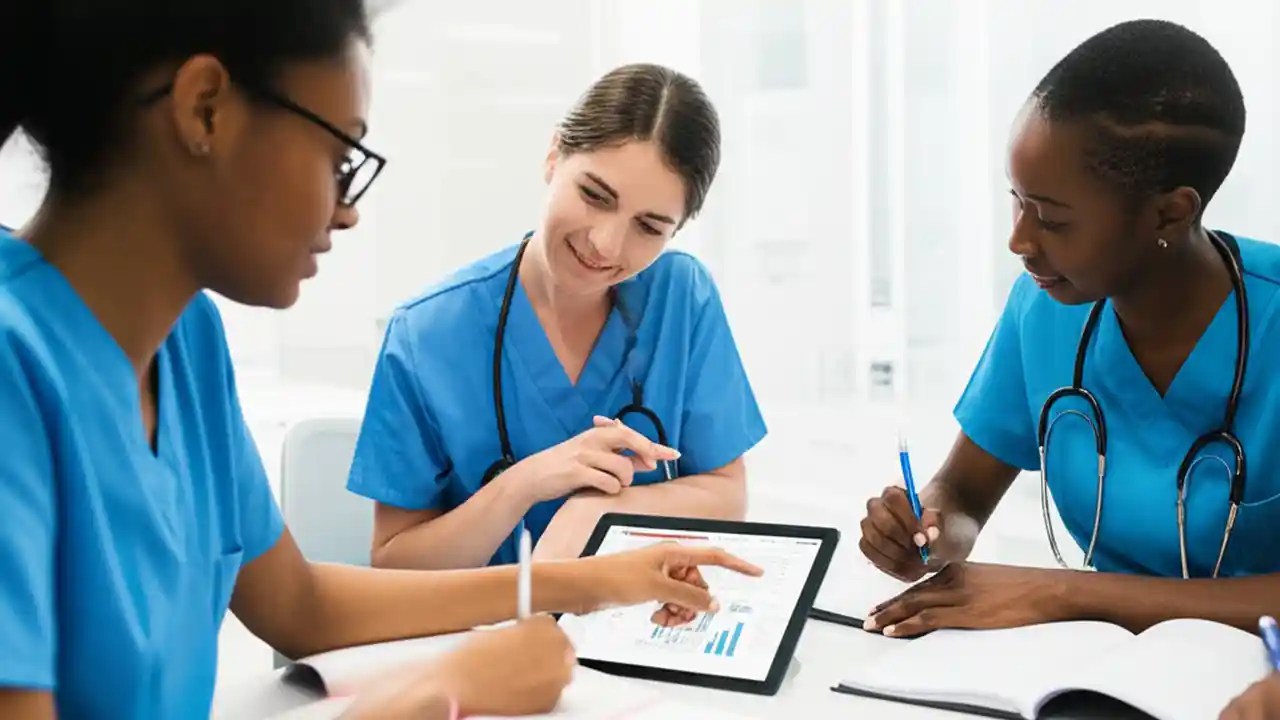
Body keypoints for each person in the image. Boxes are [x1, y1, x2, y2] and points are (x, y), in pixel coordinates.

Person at [0, 2, 764, 718]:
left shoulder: (186, 344)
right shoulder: (14, 371)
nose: (347, 208)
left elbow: (302, 609)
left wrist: (590, 580)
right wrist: (442, 694)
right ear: (205, 110)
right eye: (338, 155)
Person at [857, 18, 1280, 638]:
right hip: (1102, 670)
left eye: (1053, 220)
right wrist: (929, 530)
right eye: (1017, 200)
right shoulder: (1044, 306)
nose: (1019, 241)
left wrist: (1062, 593)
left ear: (1171, 211)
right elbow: (965, 494)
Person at [347, 63, 766, 569]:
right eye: (594, 196)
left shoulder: (680, 296)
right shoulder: (427, 334)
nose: (606, 245)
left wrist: (593, 511)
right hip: (487, 634)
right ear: (553, 155)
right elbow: (395, 564)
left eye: (649, 227)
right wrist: (523, 486)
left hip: (630, 627)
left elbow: (727, 495)